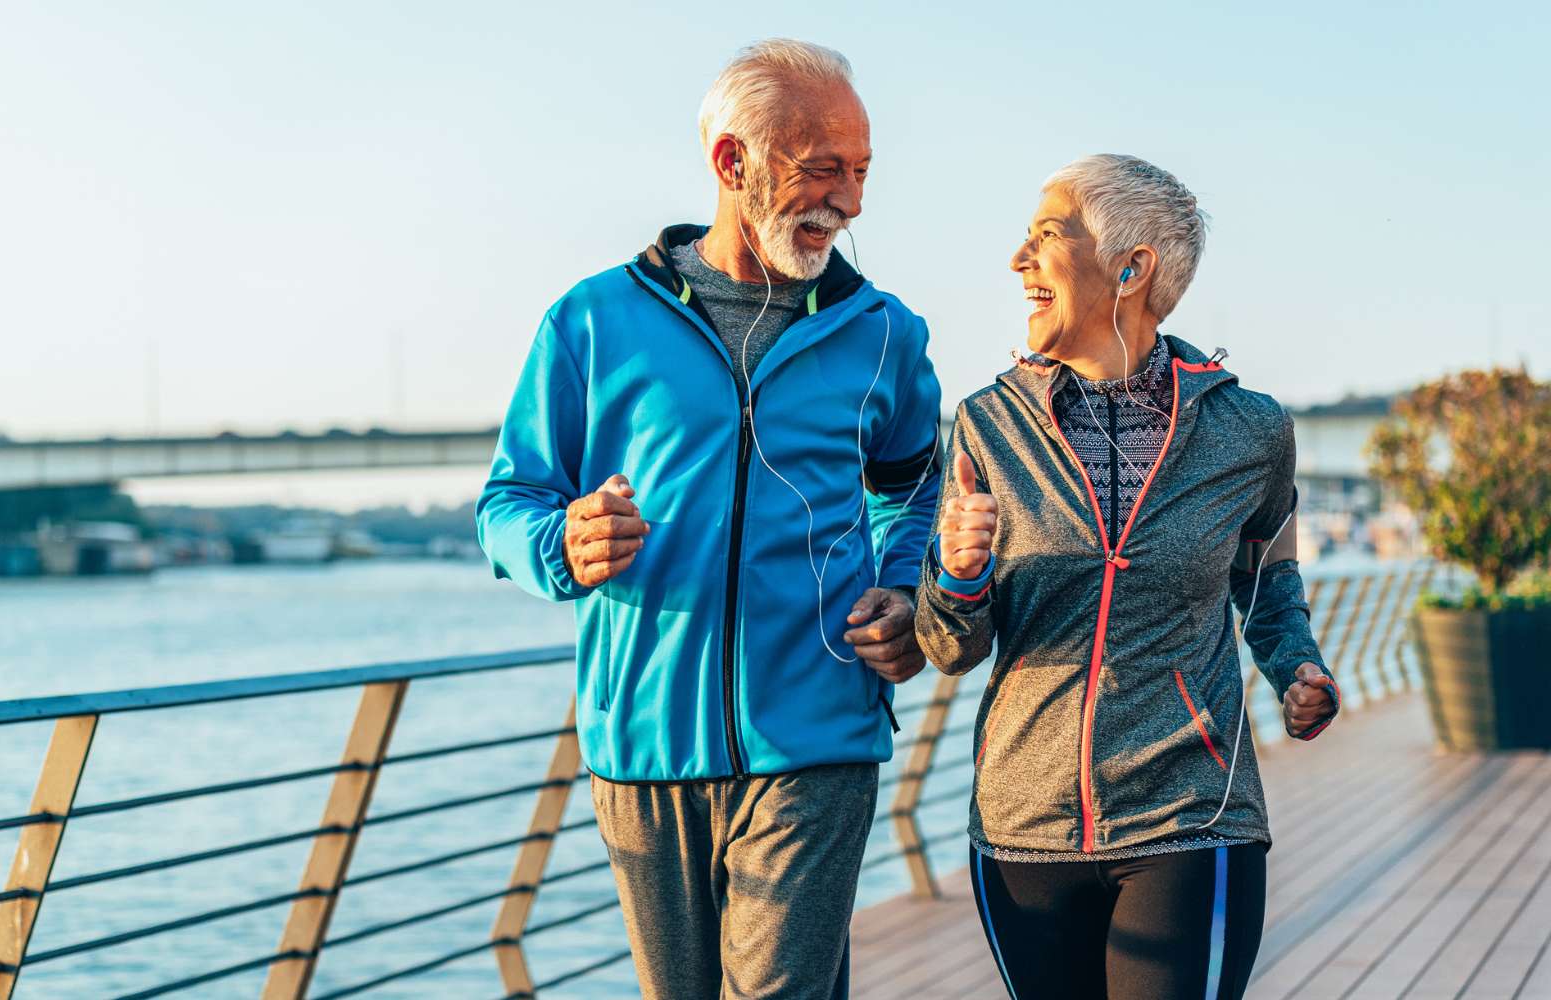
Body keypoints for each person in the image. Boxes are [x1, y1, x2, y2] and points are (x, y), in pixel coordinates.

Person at [477, 39, 943, 1000]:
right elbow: (506, 503)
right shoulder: (593, 320)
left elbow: (914, 487)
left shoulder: (885, 333)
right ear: (733, 163)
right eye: (823, 171)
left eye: (861, 173)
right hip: (641, 748)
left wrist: (904, 589)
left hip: (819, 738)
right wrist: (558, 543)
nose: (850, 203)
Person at [916, 154, 1338, 1000]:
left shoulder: (1251, 432)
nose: (1016, 261)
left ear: (1131, 267)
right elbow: (948, 647)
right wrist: (957, 575)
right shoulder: (985, 425)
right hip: (1023, 829)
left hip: (1194, 813)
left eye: (1045, 237)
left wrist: (1299, 668)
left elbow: (1266, 585)